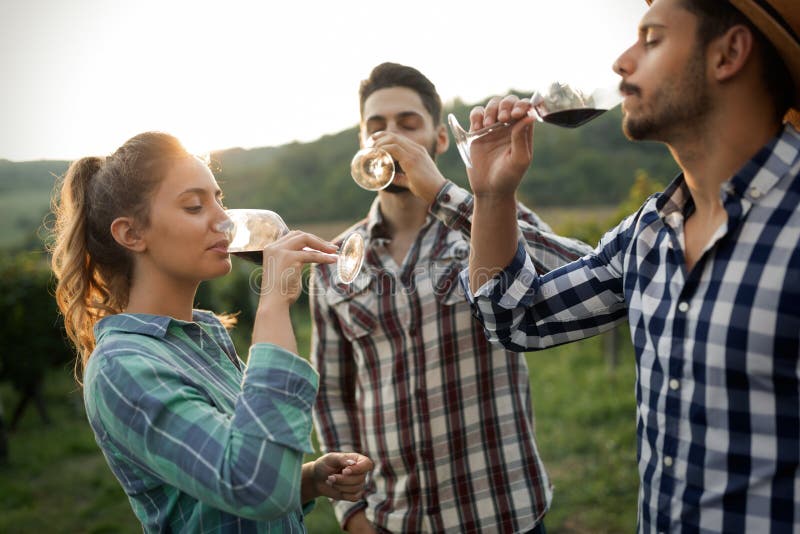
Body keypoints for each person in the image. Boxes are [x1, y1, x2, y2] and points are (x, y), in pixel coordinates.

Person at [462, 0, 800, 531]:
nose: (622, 61)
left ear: (728, 53)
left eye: (651, 39)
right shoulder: (647, 234)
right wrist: (491, 195)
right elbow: (514, 319)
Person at [309, 62, 593, 533]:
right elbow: (332, 395)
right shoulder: (337, 260)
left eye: (407, 123)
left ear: (440, 139)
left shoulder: (489, 216)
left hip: (501, 511)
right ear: (363, 142)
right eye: (376, 126)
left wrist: (449, 194)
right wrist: (352, 512)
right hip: (392, 519)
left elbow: (575, 276)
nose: (390, 136)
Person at [49, 131, 373, 533]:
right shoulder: (121, 368)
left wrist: (307, 480)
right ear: (131, 234)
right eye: (193, 205)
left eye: (219, 199)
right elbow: (255, 486)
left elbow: (237, 465)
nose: (223, 219)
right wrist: (273, 304)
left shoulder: (205, 335)